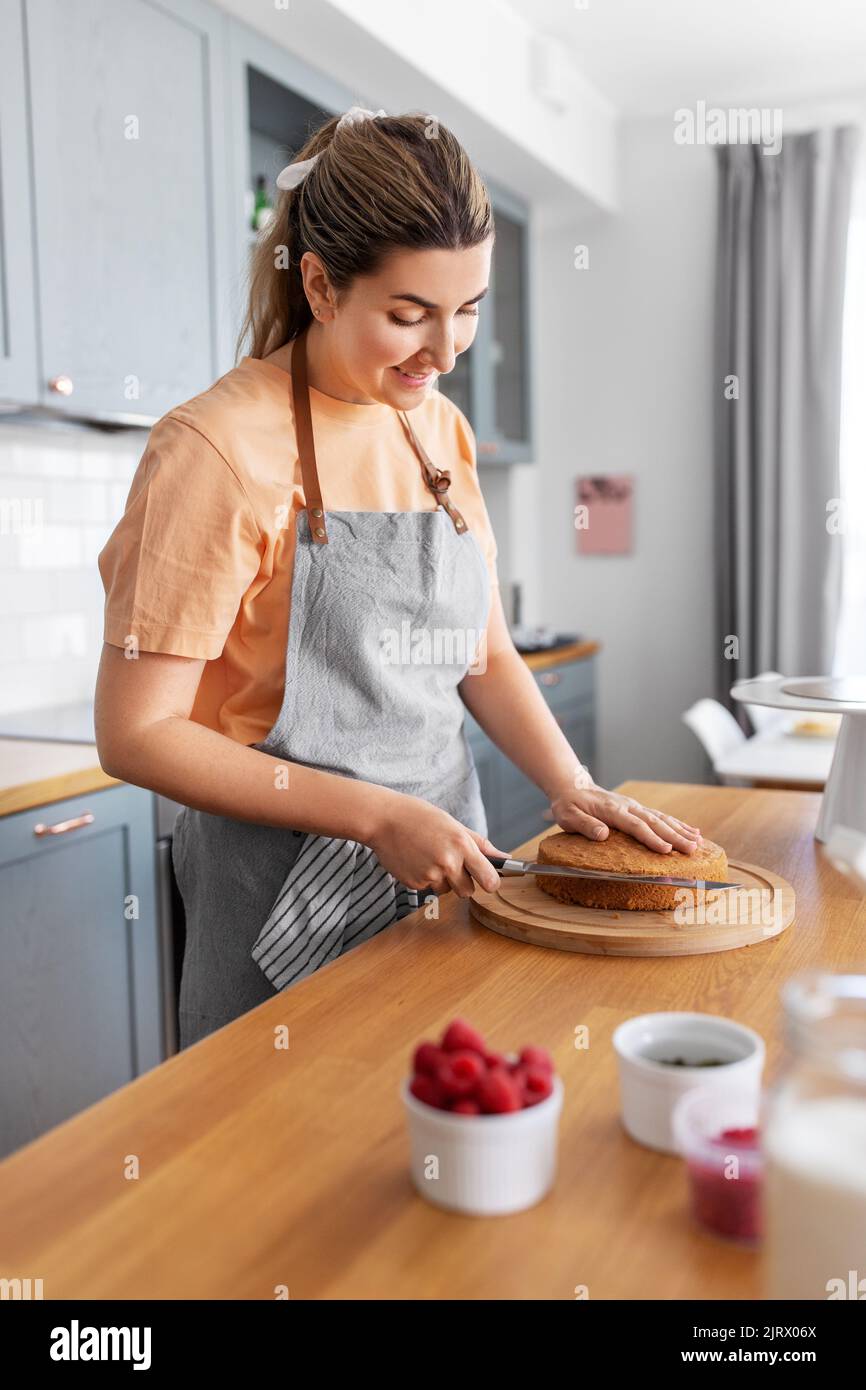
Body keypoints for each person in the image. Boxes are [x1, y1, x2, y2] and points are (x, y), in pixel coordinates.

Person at [95, 107, 701, 1049]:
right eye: (410, 315)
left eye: (468, 309)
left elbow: (484, 652)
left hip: (440, 872)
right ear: (323, 286)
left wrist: (570, 783)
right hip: (273, 899)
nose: (446, 350)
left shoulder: (437, 428)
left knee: (432, 1135)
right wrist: (375, 815)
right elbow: (135, 735)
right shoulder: (213, 450)